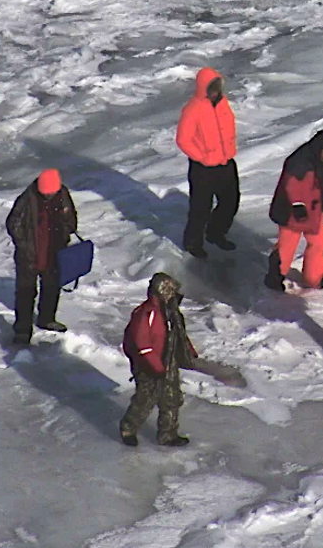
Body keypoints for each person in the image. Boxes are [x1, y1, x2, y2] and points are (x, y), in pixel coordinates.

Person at [120, 272, 198, 447]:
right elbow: (141, 344)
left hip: (168, 361)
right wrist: (154, 366)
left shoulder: (170, 312)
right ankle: (128, 428)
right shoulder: (147, 313)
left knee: (171, 398)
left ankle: (168, 434)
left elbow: (178, 334)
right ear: (162, 292)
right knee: (145, 399)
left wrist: (187, 351)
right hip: (148, 365)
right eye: (171, 292)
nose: (174, 296)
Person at [4, 168, 78, 345]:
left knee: (52, 288)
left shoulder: (63, 194)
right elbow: (13, 223)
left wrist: (66, 232)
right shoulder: (27, 198)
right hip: (29, 254)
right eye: (47, 192)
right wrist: (24, 245)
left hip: (54, 251)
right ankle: (22, 330)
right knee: (25, 292)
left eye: (52, 192)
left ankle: (46, 318)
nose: (50, 195)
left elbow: (71, 218)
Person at [264, 129, 323, 291]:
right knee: (287, 247)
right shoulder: (299, 160)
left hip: (316, 210)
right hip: (292, 213)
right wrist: (298, 205)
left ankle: (313, 279)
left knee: (318, 243)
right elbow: (292, 186)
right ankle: (275, 276)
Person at [175, 67, 239, 258]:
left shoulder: (223, 103)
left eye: (218, 87)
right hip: (203, 168)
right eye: (212, 87)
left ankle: (216, 233)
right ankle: (193, 243)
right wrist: (202, 157)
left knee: (230, 202)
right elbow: (183, 140)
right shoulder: (192, 109)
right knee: (200, 208)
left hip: (226, 163)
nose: (215, 91)